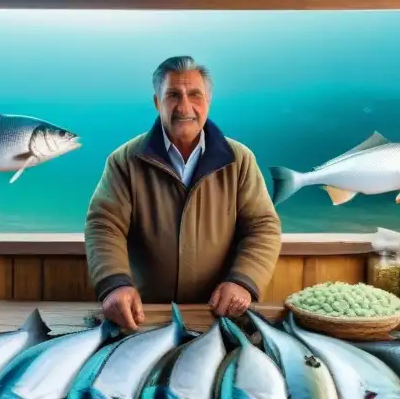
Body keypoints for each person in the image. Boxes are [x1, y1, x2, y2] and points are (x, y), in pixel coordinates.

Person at [85, 56, 282, 330]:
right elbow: (104, 225)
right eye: (173, 95)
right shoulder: (124, 161)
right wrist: (114, 284)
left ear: (208, 101)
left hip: (219, 315)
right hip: (144, 315)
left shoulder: (240, 160)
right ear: (157, 102)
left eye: (195, 95)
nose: (185, 107)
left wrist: (243, 281)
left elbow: (262, 226)